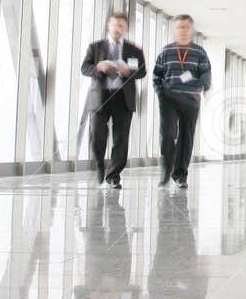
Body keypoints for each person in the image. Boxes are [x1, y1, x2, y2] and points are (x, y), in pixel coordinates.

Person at [79, 11, 147, 187]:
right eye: (114, 24)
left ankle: (113, 175)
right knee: (98, 137)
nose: (117, 28)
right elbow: (84, 68)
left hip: (123, 99)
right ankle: (100, 165)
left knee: (121, 139)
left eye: (121, 25)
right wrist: (98, 68)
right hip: (100, 97)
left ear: (125, 28)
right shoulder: (95, 47)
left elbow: (142, 72)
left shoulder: (135, 50)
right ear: (108, 26)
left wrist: (128, 72)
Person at [151, 14, 211, 188]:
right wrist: (160, 92)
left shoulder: (199, 52)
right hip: (168, 99)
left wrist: (204, 86)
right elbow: (157, 75)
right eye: (179, 27)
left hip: (191, 100)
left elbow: (206, 73)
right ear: (174, 30)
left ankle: (180, 175)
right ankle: (166, 170)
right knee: (168, 134)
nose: (182, 30)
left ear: (191, 30)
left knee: (186, 137)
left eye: (185, 27)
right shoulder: (166, 51)